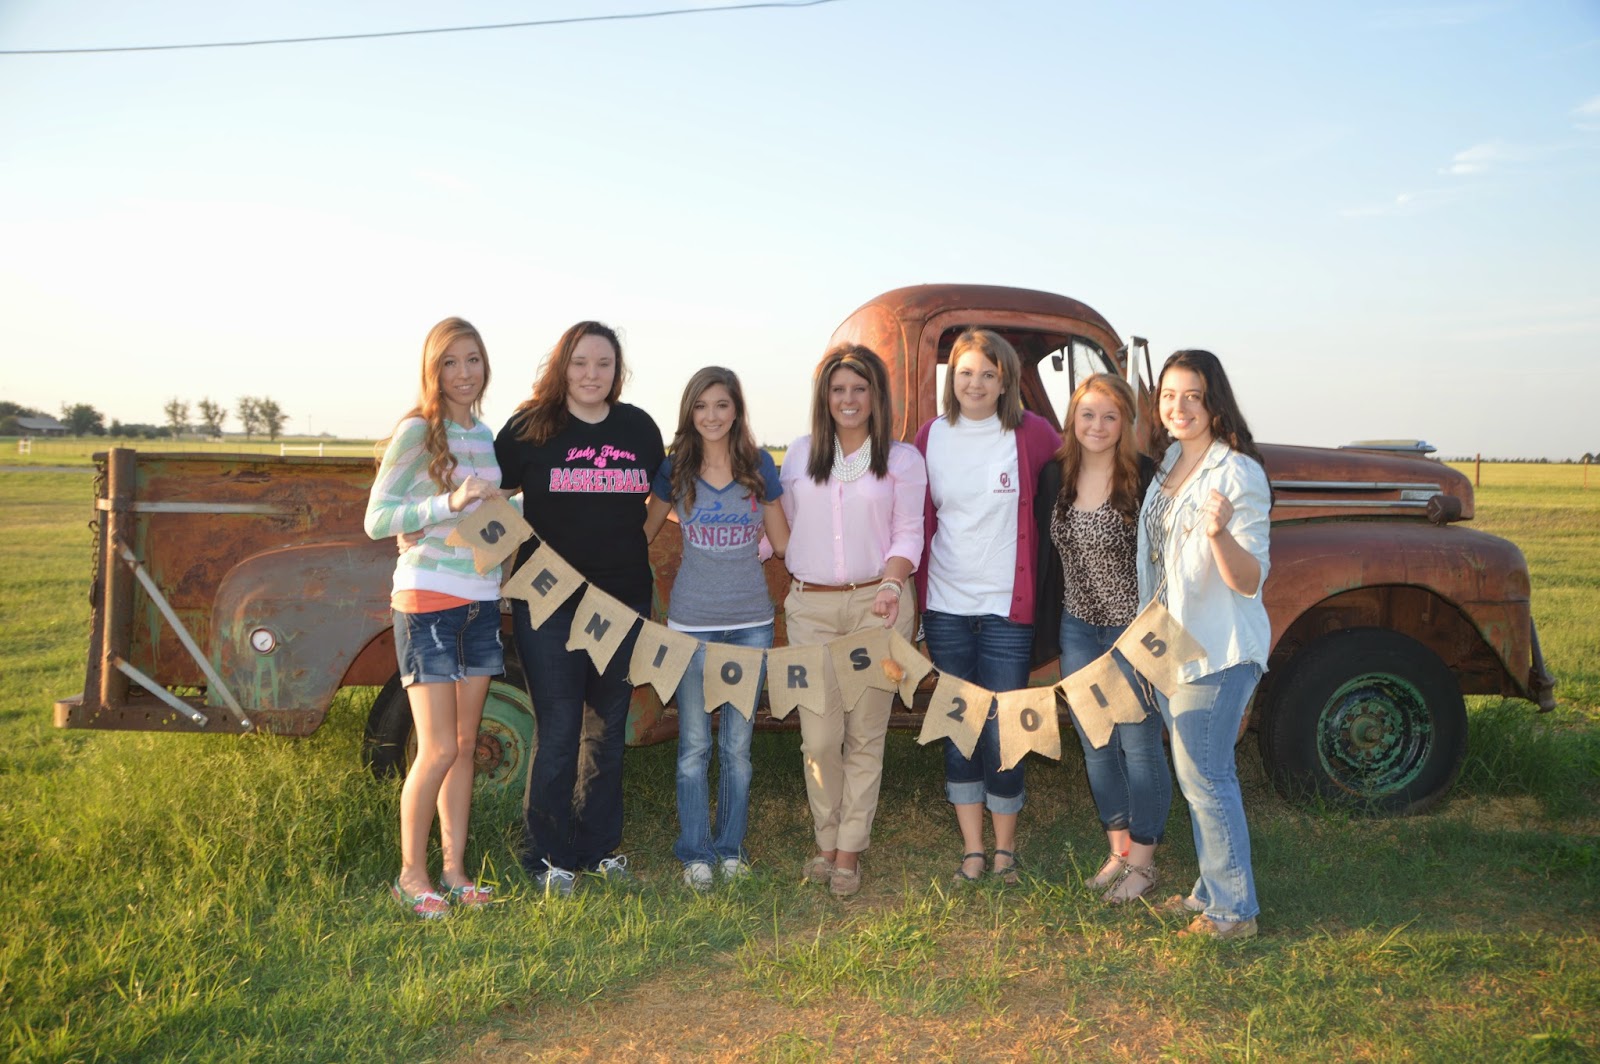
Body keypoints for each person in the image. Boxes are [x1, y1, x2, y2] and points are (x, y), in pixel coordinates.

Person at [495, 321, 665, 896]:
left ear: (618, 373)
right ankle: (546, 855)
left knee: (607, 727)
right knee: (560, 726)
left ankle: (597, 848)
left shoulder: (638, 428)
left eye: (604, 365)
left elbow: (657, 498)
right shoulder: (529, 428)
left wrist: (630, 543)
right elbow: (487, 496)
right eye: (581, 363)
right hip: (548, 604)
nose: (592, 375)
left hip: (620, 601)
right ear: (562, 366)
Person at [364, 316, 503, 918]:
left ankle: (453, 871)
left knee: (468, 745)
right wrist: (447, 502)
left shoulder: (485, 433)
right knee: (439, 748)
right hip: (427, 601)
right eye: (451, 362)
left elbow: (481, 515)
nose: (464, 373)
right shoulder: (418, 431)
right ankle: (410, 876)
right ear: (433, 370)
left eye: (472, 360)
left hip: (481, 598)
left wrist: (502, 507)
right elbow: (377, 519)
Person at [913, 329, 1060, 886]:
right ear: (953, 379)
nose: (975, 383)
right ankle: (972, 850)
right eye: (965, 372)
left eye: (988, 374)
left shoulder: (1032, 434)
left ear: (1005, 383)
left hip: (1006, 609)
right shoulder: (931, 436)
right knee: (962, 727)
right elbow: (919, 517)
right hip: (947, 607)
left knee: (1005, 730)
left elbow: (1087, 463)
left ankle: (1005, 851)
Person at [780, 343, 925, 897]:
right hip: (811, 608)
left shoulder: (903, 460)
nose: (848, 399)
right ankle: (825, 833)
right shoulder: (797, 456)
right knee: (818, 737)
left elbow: (908, 532)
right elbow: (790, 527)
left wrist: (891, 582)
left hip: (878, 605)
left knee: (865, 733)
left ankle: (846, 850)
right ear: (824, 396)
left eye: (859, 389)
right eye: (838, 389)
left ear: (875, 396)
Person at [1137, 349, 1272, 940]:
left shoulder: (1237, 473)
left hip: (1216, 648)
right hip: (1171, 646)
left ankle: (1234, 912)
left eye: (1193, 395)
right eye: (1170, 395)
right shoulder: (1169, 463)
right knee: (1194, 772)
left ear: (1214, 402)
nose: (1179, 406)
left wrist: (1218, 532)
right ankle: (1209, 890)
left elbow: (1248, 579)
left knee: (1207, 776)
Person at [644, 367, 791, 891]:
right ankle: (695, 854)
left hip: (751, 624)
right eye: (701, 405)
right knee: (693, 747)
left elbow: (784, 541)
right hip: (691, 627)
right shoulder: (675, 470)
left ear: (736, 411)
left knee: (736, 747)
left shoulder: (758, 468)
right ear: (690, 412)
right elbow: (641, 532)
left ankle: (730, 850)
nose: (711, 415)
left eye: (721, 405)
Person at [1040, 373, 1166, 903]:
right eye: (1087, 414)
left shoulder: (1145, 476)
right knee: (1095, 744)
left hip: (1131, 629)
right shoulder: (1055, 474)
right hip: (1078, 628)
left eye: (1110, 416)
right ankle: (1117, 850)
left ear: (1125, 424)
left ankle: (1144, 860)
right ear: (1073, 418)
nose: (1097, 425)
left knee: (1139, 746)